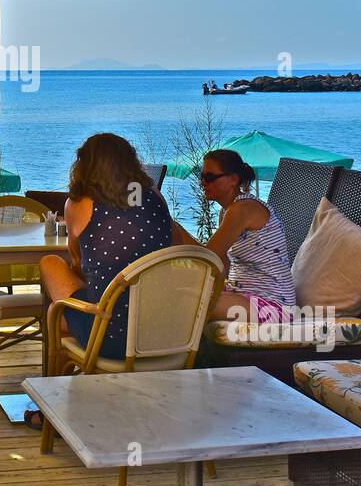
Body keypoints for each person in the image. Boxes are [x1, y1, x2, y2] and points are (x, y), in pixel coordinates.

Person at [38, 133, 174, 365]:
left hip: (110, 337)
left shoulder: (79, 203)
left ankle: (63, 386)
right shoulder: (156, 198)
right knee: (64, 311)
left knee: (50, 266)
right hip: (165, 332)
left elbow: (79, 265)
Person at [195, 148, 294, 325]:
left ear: (233, 179)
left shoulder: (243, 209)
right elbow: (221, 262)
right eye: (201, 176)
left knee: (190, 303)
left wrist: (175, 229)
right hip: (242, 294)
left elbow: (208, 256)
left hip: (274, 306)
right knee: (180, 293)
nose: (203, 183)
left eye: (209, 177)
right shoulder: (228, 211)